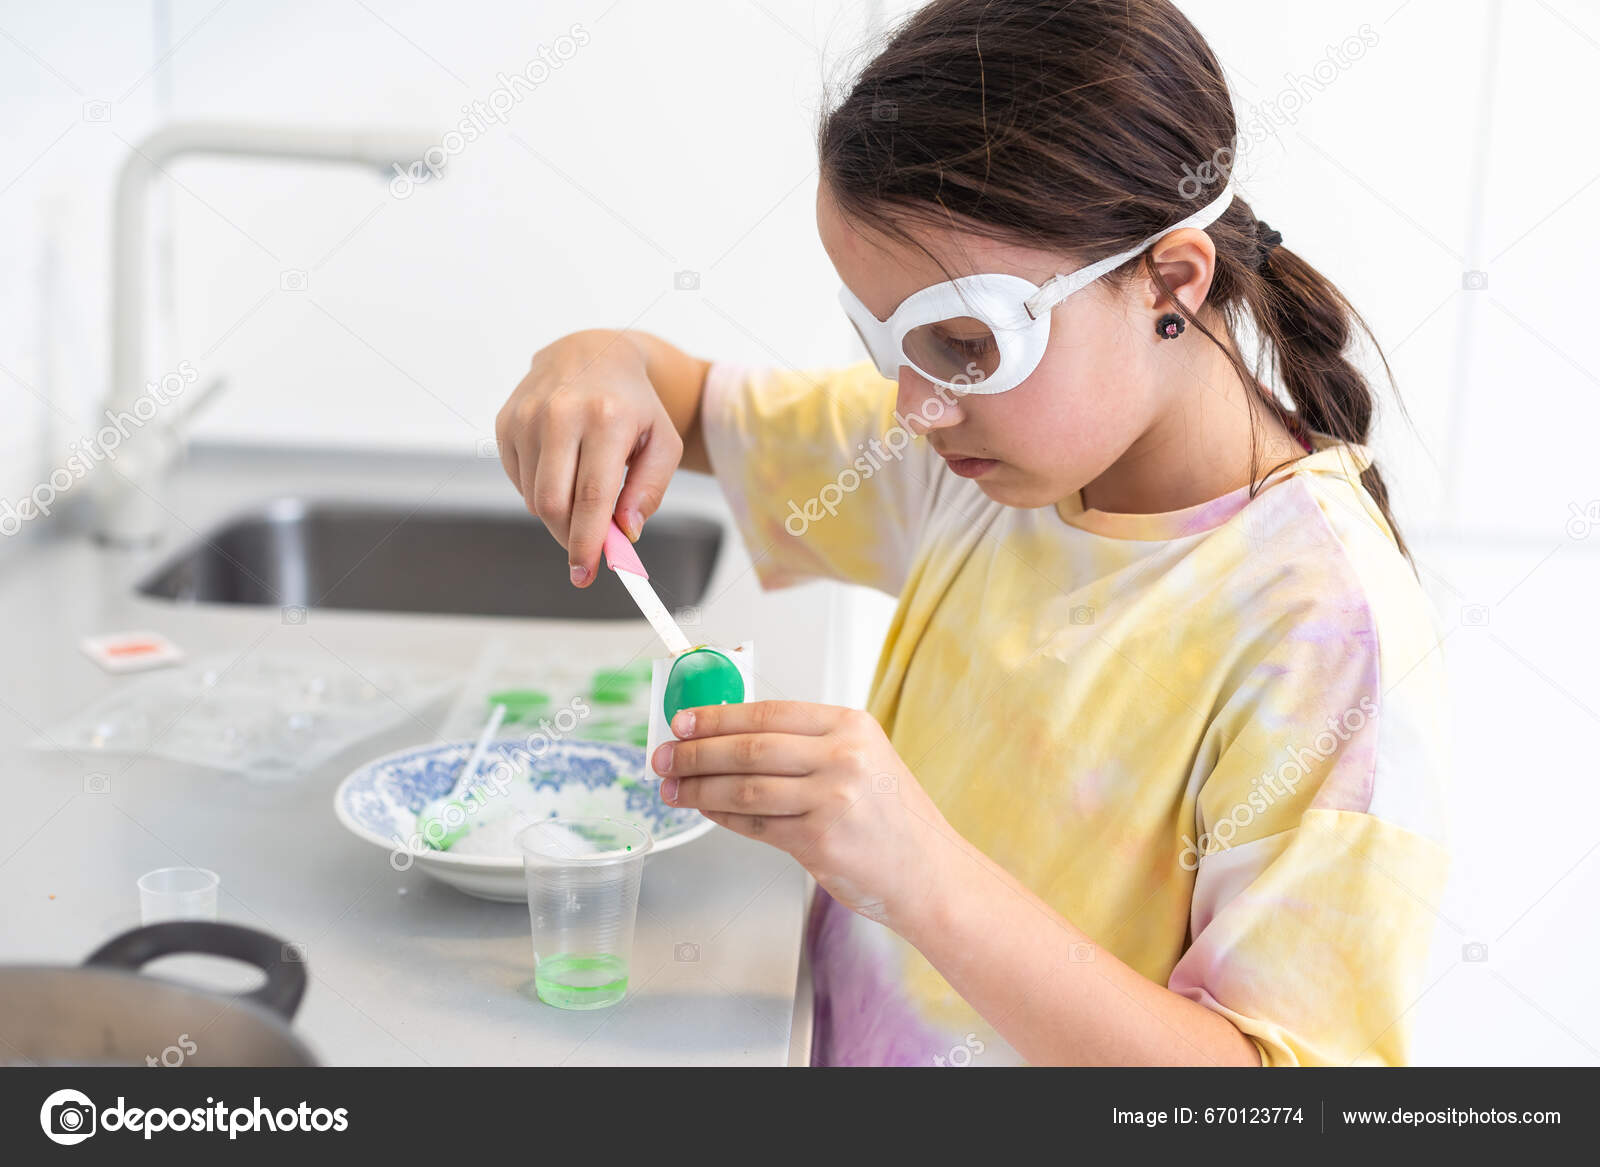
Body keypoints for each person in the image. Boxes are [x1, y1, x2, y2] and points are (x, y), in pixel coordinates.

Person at [495, 0, 1448, 1066]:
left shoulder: (1321, 638)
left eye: (962, 341)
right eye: (883, 339)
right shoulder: (984, 459)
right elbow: (681, 398)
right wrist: (593, 362)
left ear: (1172, 283)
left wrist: (916, 873)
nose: (915, 406)